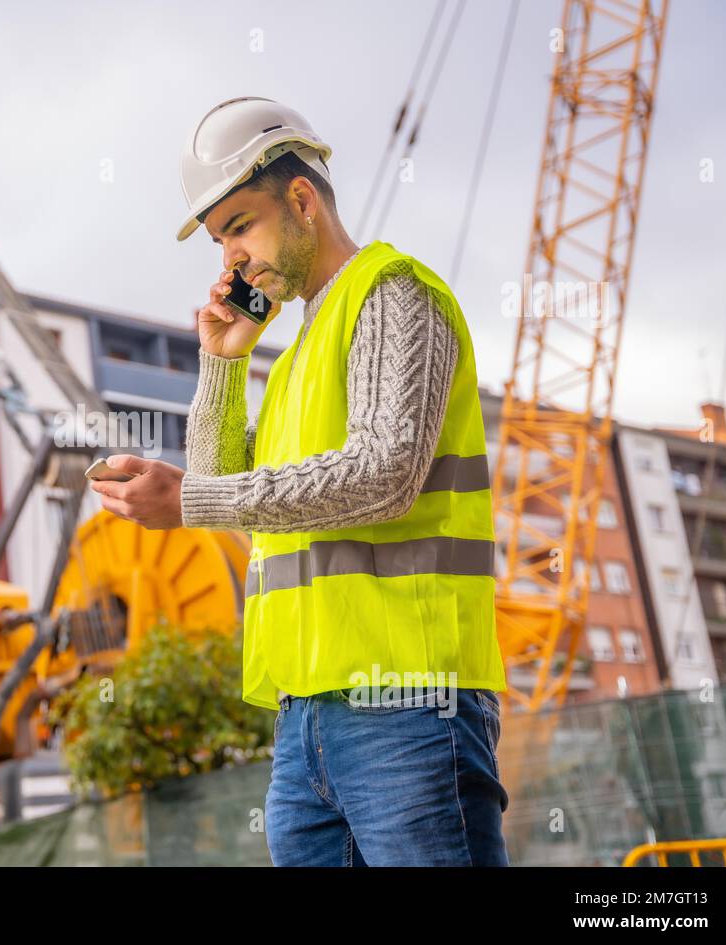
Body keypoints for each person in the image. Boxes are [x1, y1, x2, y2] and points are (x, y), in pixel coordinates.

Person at [88, 97, 510, 866]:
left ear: (301, 199)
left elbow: (384, 475)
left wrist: (187, 498)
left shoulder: (391, 293)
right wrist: (223, 360)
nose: (231, 261)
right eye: (220, 243)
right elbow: (223, 493)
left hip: (409, 704)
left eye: (240, 227)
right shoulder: (288, 368)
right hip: (304, 720)